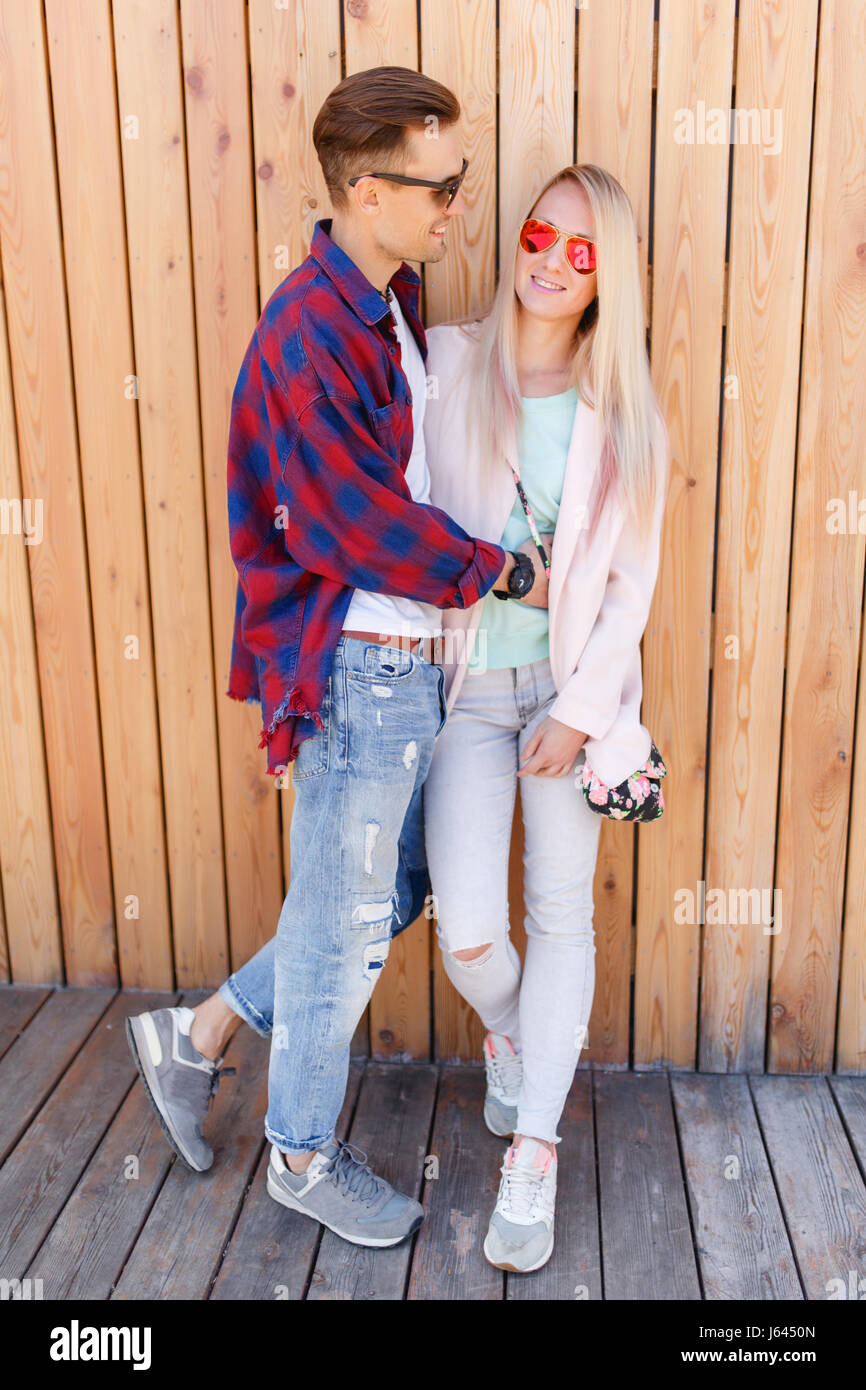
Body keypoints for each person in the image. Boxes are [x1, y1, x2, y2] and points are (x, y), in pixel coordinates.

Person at [125, 66, 549, 1251]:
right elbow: (350, 521)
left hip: (403, 663)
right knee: (343, 924)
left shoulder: (389, 297)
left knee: (373, 899)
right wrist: (495, 567)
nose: (457, 202)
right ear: (366, 191)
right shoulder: (310, 331)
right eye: (440, 183)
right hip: (358, 665)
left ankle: (198, 1034)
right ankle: (301, 1154)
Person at [420, 162, 670, 1272]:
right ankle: (517, 1038)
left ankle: (533, 1147)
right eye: (540, 234)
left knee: (561, 915)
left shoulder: (622, 410)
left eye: (583, 252)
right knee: (468, 927)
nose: (553, 261)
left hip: (567, 704)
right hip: (466, 693)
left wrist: (576, 712)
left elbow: (629, 586)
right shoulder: (445, 361)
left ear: (606, 277)